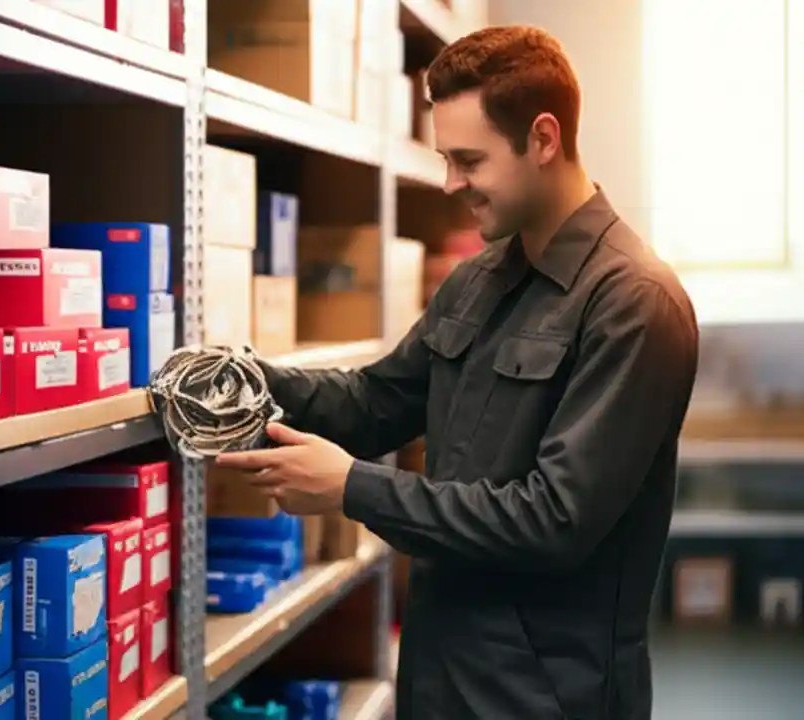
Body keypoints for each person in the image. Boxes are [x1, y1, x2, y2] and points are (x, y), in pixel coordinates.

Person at [217, 25, 699, 720]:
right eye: (445, 158)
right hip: (442, 675)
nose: (450, 183)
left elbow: (553, 519)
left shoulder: (634, 303)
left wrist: (352, 488)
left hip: (549, 696)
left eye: (468, 159)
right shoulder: (478, 279)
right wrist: (249, 378)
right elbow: (377, 401)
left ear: (543, 138)